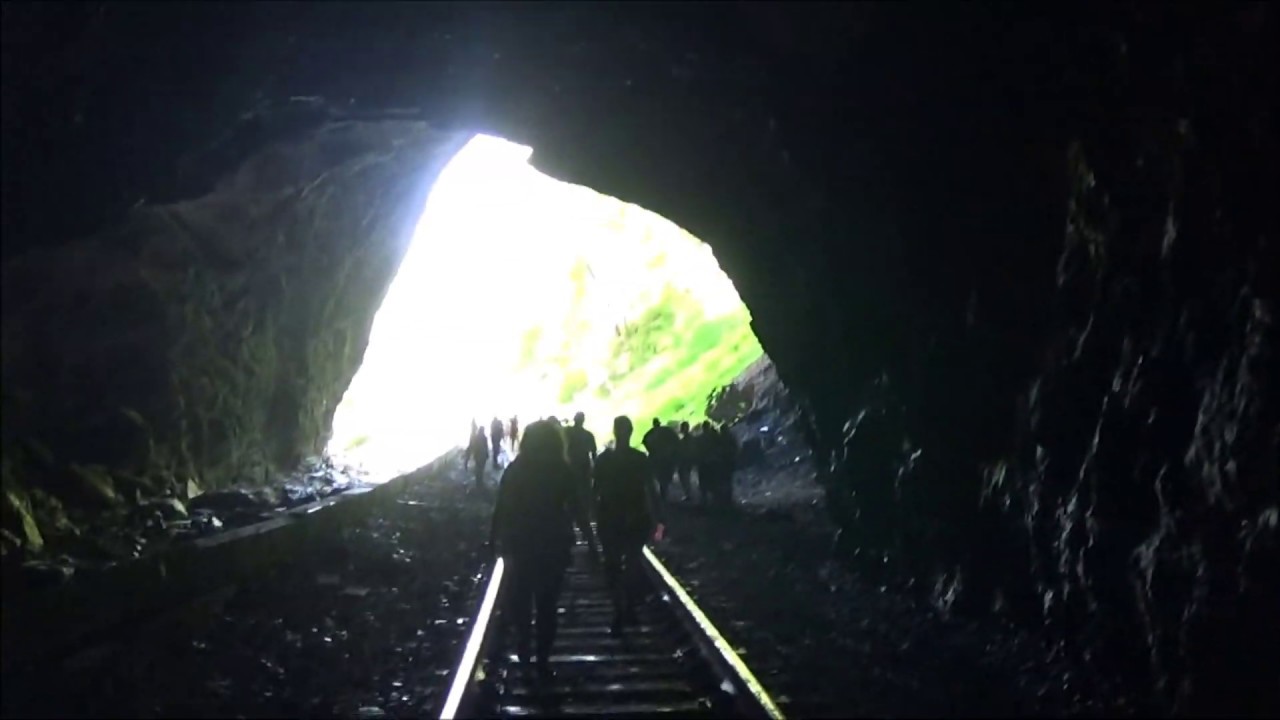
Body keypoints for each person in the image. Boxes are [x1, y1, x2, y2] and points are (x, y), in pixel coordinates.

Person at [490, 420, 598, 676]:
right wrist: (592, 543)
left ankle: (525, 654)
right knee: (547, 605)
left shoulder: (516, 469)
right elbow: (578, 510)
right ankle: (542, 660)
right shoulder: (561, 470)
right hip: (553, 545)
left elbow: (502, 507)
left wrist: (493, 539)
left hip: (522, 544)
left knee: (521, 603)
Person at [593, 415, 658, 635]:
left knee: (612, 564)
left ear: (615, 431)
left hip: (610, 518)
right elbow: (651, 490)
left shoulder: (603, 460)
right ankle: (629, 605)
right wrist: (657, 518)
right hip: (636, 518)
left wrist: (593, 517)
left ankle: (619, 608)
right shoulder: (641, 459)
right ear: (630, 432)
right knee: (632, 561)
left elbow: (595, 490)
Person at [564, 411, 597, 539]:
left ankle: (572, 525)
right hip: (584, 468)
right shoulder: (588, 435)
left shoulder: (568, 433)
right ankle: (587, 531)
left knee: (570, 497)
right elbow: (593, 453)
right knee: (583, 497)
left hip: (570, 468)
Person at [642, 418, 680, 503]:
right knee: (664, 475)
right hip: (664, 457)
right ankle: (663, 492)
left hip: (660, 457)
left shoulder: (652, 432)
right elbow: (676, 440)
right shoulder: (665, 430)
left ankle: (663, 492)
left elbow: (644, 441)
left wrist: (651, 450)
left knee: (662, 475)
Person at [694, 421, 722, 507]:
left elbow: (697, 451)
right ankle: (715, 499)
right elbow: (719, 446)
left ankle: (704, 499)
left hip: (703, 462)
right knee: (713, 480)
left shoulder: (699, 438)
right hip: (713, 461)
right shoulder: (714, 437)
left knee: (704, 482)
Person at [676, 421, 697, 502]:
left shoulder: (684, 440)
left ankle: (688, 494)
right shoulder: (691, 439)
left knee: (685, 478)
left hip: (685, 461)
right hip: (689, 460)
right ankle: (689, 494)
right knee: (686, 477)